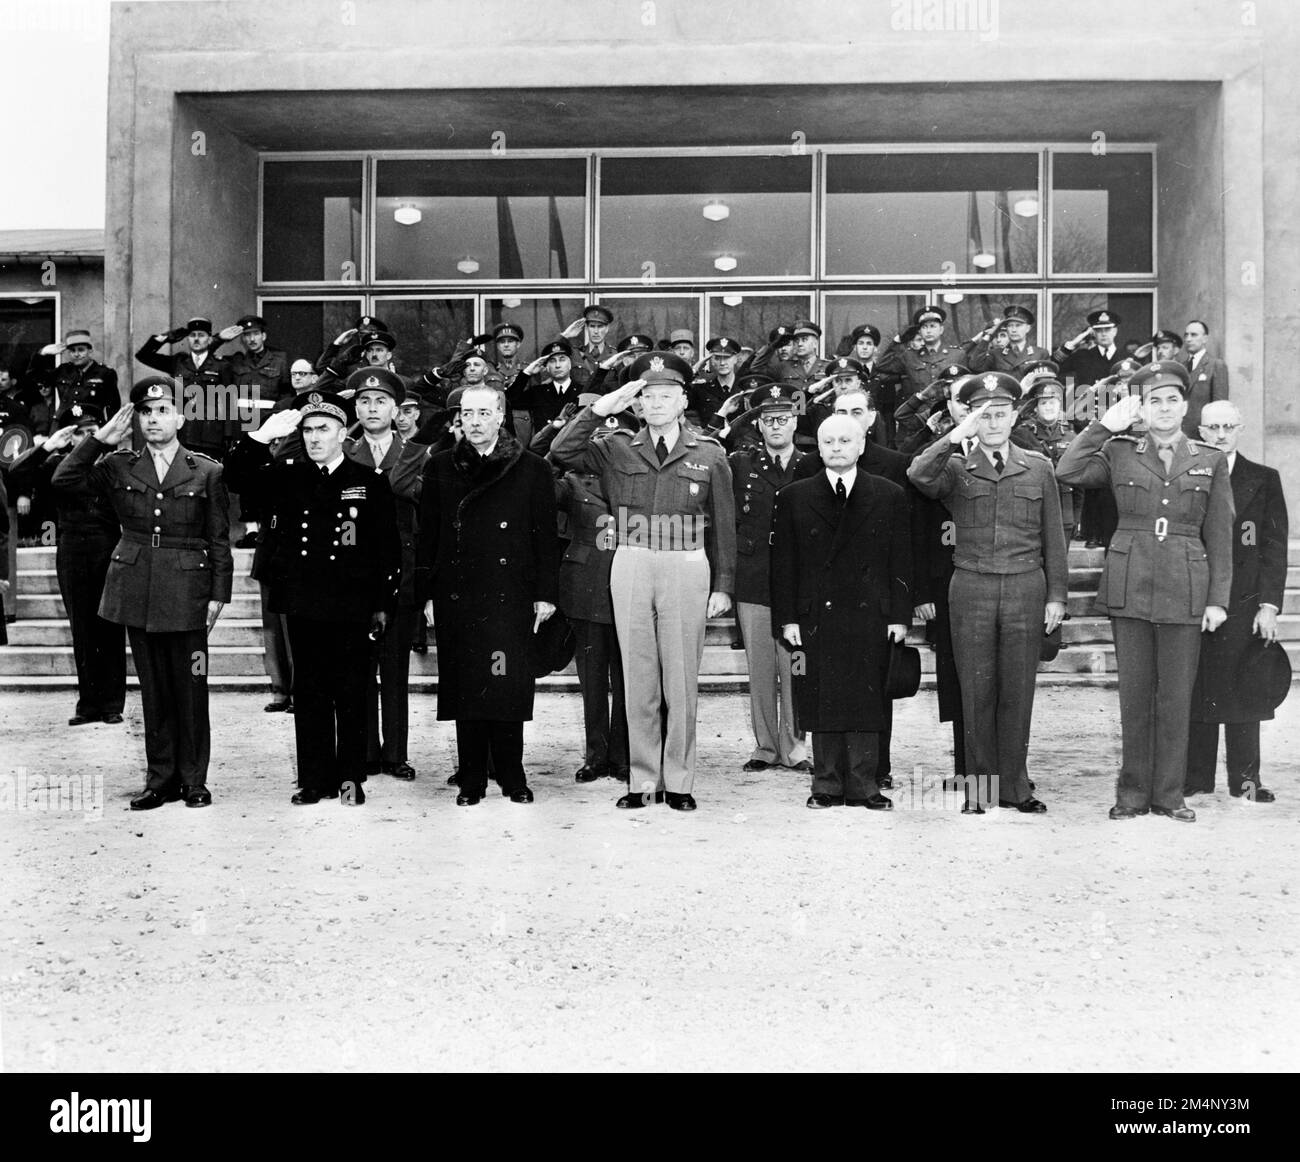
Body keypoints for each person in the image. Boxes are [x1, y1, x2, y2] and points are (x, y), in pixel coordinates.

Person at [550, 352, 735, 811]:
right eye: (647, 396)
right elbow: (560, 451)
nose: (656, 404)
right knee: (638, 677)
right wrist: (601, 407)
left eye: (665, 395)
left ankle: (680, 781)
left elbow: (727, 527)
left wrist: (724, 585)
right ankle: (642, 779)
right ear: (636, 403)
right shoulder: (615, 446)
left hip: (686, 563)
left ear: (683, 400)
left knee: (680, 678)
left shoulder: (709, 453)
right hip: (631, 561)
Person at [1056, 361, 1234, 823]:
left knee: (1176, 697)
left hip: (1185, 584)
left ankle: (1170, 795)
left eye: (1172, 399)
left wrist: (1218, 599)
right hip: (1131, 580)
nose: (1164, 408)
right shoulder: (1120, 450)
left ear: (1185, 406)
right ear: (1141, 407)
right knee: (1135, 696)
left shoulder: (1209, 458)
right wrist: (1102, 424)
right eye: (1154, 400)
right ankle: (1132, 794)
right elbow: (1068, 469)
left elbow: (1219, 536)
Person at [52, 380, 232, 809]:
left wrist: (218, 595)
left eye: (163, 409)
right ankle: (160, 780)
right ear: (136, 419)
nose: (154, 418)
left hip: (188, 589)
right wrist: (97, 440)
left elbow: (219, 539)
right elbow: (64, 480)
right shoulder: (118, 466)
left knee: (190, 686)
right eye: (146, 411)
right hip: (137, 587)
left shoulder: (207, 470)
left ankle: (194, 780)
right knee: (153, 690)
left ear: (180, 418)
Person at [223, 388, 400, 806]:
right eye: (307, 430)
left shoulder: (367, 481)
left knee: (353, 692)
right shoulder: (288, 476)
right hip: (304, 601)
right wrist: (259, 437)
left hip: (352, 603)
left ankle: (351, 778)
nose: (314, 437)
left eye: (323, 429)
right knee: (311, 692)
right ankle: (314, 779)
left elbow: (386, 548)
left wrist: (382, 603)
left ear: (343, 434)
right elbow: (235, 477)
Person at [908, 372, 1068, 815]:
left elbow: (1053, 535)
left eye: (1001, 413)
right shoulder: (957, 466)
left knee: (1018, 689)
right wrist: (952, 436)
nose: (994, 422)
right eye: (984, 414)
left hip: (1025, 585)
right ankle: (979, 790)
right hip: (972, 585)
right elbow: (918, 475)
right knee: (975, 690)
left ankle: (1015, 787)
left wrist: (1057, 596)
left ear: (1016, 414)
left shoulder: (1038, 466)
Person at [415, 383, 559, 806]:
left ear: (501, 416)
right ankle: (472, 777)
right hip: (458, 595)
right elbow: (430, 538)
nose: (474, 422)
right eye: (467, 414)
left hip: (510, 593)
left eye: (483, 413)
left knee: (508, 685)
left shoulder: (531, 467)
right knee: (467, 686)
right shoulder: (441, 465)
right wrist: (427, 596)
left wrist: (545, 594)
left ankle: (513, 775)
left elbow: (545, 538)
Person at [771, 415, 911, 809]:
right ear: (818, 447)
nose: (836, 448)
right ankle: (827, 783)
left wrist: (900, 616)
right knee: (822, 697)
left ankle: (865, 785)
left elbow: (901, 562)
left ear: (861, 446)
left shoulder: (888, 495)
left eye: (845, 441)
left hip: (872, 616)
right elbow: (783, 565)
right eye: (828, 441)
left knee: (868, 698)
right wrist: (788, 618)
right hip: (816, 615)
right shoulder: (794, 497)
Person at [1185, 401, 1286, 802]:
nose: (1221, 434)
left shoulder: (1263, 478)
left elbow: (1274, 547)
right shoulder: (1189, 474)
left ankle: (1246, 782)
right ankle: (1196, 779)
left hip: (1245, 601)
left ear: (1240, 428)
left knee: (1246, 690)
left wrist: (1269, 606)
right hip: (1197, 596)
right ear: (1201, 431)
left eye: (1229, 426)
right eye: (1213, 428)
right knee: (1198, 688)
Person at [9, 404, 126, 726]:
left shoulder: (114, 464)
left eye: (93, 431)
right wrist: (46, 446)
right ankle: (88, 703)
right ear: (70, 437)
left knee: (110, 627)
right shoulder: (58, 465)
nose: (87, 437)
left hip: (109, 546)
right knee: (82, 629)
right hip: (73, 549)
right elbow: (16, 472)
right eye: (80, 433)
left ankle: (112, 703)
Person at [537, 398, 632, 785]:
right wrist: (559, 425)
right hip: (586, 589)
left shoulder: (637, 478)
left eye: (616, 436)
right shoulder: (571, 481)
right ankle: (596, 756)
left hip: (629, 586)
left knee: (628, 679)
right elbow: (540, 464)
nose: (607, 444)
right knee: (592, 680)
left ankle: (623, 756)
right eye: (600, 437)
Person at [728, 384, 809, 774]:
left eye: (784, 418)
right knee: (760, 667)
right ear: (758, 426)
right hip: (754, 576)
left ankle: (795, 747)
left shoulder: (811, 464)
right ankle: (765, 747)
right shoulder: (742, 464)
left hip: (799, 578)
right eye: (769, 420)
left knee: (795, 665)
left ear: (795, 422)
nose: (776, 426)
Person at [345, 367, 420, 781]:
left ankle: (395, 754)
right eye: (364, 402)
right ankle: (364, 754)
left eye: (380, 402)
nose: (372, 409)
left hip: (401, 577)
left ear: (396, 409)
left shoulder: (416, 455)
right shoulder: (344, 452)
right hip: (355, 579)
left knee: (395, 671)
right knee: (357, 670)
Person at [134, 317, 233, 460]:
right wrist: (165, 338)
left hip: (211, 435)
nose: (196, 339)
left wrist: (227, 435)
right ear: (187, 339)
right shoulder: (178, 362)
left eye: (201, 335)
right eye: (192, 335)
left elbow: (228, 402)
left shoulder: (221, 366)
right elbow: (143, 356)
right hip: (183, 432)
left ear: (210, 339)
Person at [31, 330, 120, 416]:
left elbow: (113, 408)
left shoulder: (105, 373)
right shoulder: (63, 371)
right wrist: (41, 353)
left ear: (90, 350)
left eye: (81, 350)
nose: (76, 354)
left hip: (91, 426)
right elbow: (35, 377)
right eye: (73, 351)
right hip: (64, 425)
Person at [1179, 320, 1230, 438]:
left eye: (1194, 335)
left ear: (1205, 339)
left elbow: (1220, 406)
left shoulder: (1216, 365)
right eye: (1186, 335)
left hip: (1202, 435)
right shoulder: (1181, 367)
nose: (1188, 339)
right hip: (1180, 434)